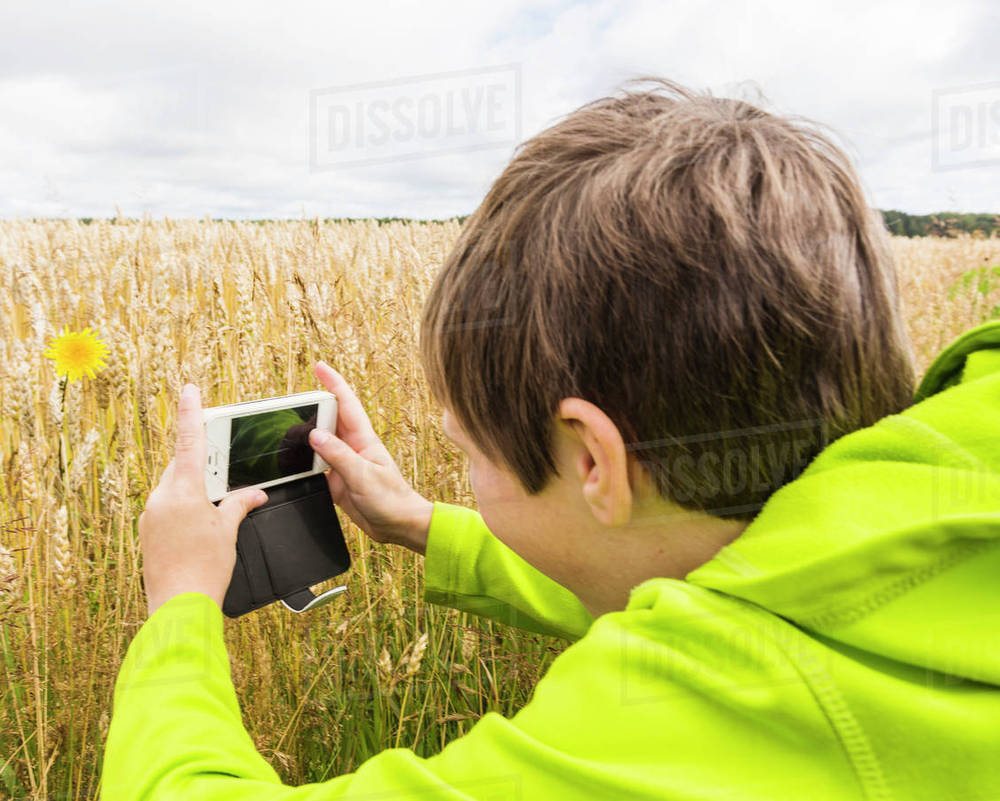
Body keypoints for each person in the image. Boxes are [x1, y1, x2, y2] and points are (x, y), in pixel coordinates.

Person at [99, 78, 1000, 799]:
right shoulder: (937, 493)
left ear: (593, 460)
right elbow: (722, 575)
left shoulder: (683, 719)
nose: (459, 455)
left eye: (471, 451)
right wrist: (422, 523)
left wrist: (178, 604)